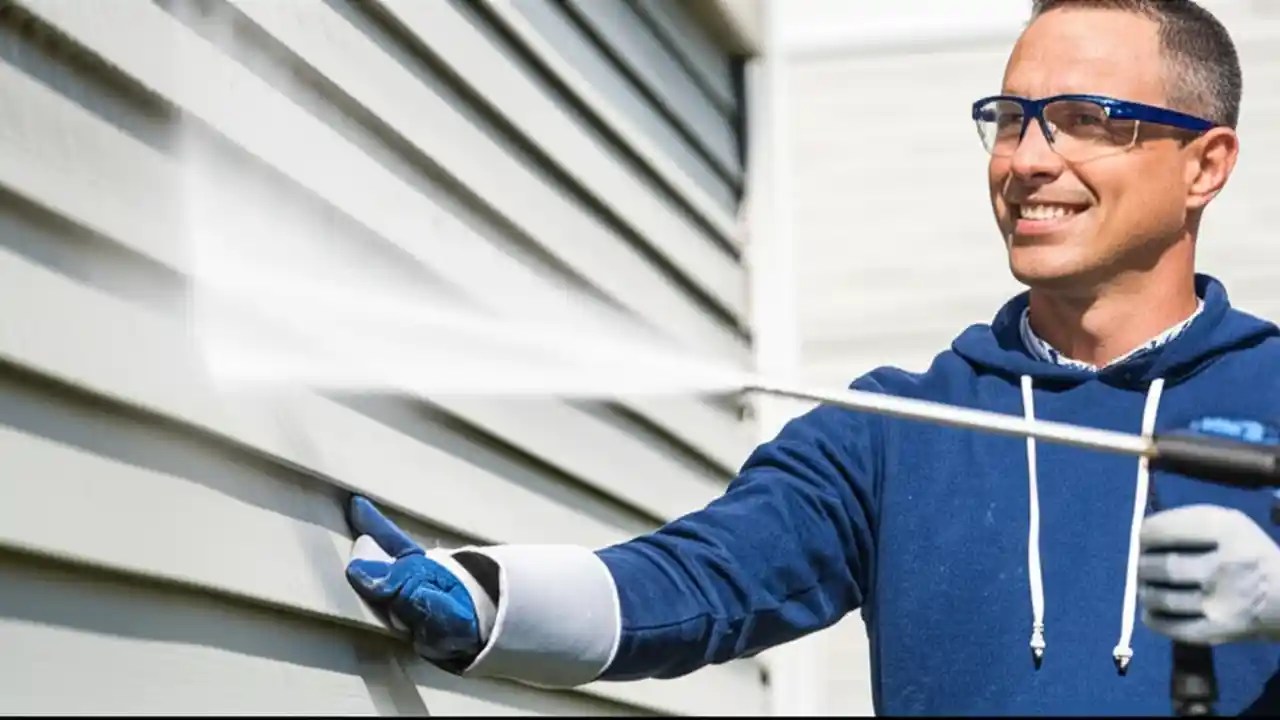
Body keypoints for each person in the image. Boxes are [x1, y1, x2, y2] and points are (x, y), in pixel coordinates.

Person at [342, 0, 1280, 714]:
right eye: (1010, 117)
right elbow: (697, 582)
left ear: (1206, 164)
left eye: (1085, 118)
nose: (1028, 159)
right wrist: (490, 599)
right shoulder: (894, 431)